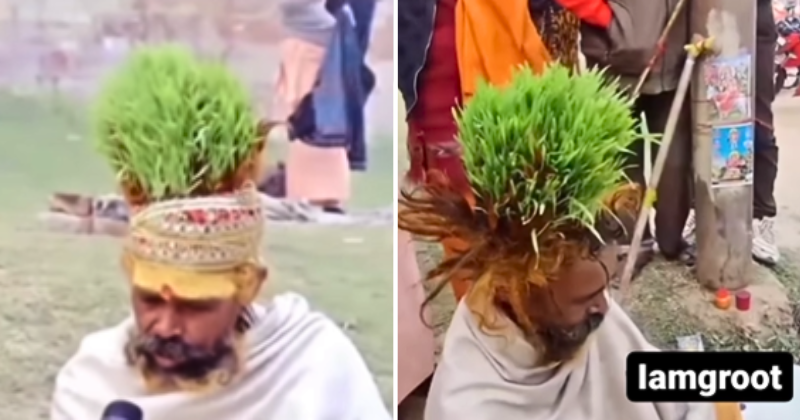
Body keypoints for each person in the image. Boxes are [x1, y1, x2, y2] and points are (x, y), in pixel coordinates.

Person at [49, 46, 389, 420]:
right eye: (150, 300)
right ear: (130, 271)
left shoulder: (312, 370)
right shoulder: (92, 382)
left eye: (196, 305)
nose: (166, 328)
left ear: (249, 286)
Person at [398, 66, 742, 420]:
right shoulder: (469, 408)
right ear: (520, 284)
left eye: (603, 288)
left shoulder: (579, 310)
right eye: (585, 299)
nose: (604, 307)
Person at [398, 0, 579, 301]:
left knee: (531, 238)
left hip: (520, 116)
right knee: (464, 235)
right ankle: (482, 319)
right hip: (444, 122)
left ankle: (533, 312)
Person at [566, 0, 693, 269]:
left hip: (676, 57)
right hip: (614, 58)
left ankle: (672, 240)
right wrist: (611, 22)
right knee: (622, 161)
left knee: (675, 161)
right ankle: (630, 243)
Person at [684, 0, 781, 265]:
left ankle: (760, 215)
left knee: (758, 122)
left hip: (753, 20)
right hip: (704, 17)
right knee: (703, 120)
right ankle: (700, 210)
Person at [273, 0, 373, 213]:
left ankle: (322, 196)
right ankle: (317, 195)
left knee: (315, 119)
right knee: (315, 118)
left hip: (316, 45)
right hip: (314, 40)